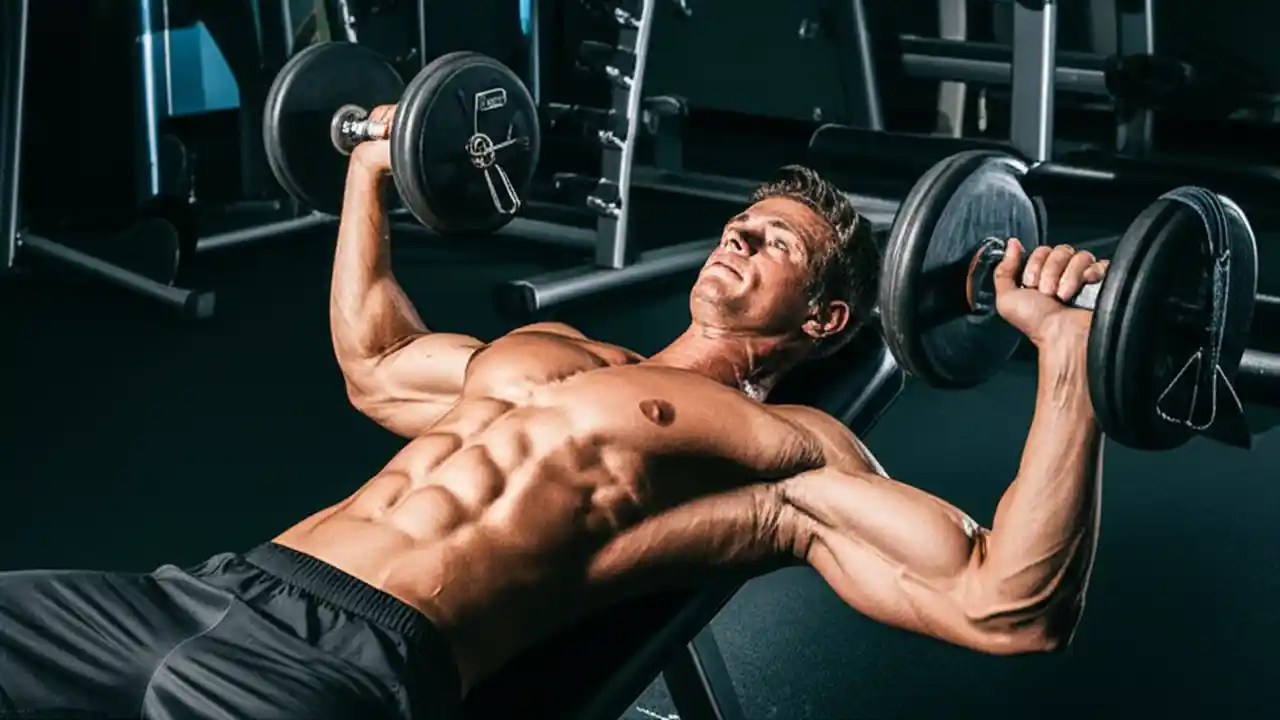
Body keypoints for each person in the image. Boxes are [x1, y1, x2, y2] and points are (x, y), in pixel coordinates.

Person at [0, 105, 1109, 720]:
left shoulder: (783, 455)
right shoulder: (550, 353)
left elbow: (1002, 603)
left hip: (342, 662)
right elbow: (376, 361)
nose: (739, 236)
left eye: (775, 243)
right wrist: (367, 173)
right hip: (202, 590)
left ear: (823, 319)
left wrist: (1067, 355)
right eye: (740, 222)